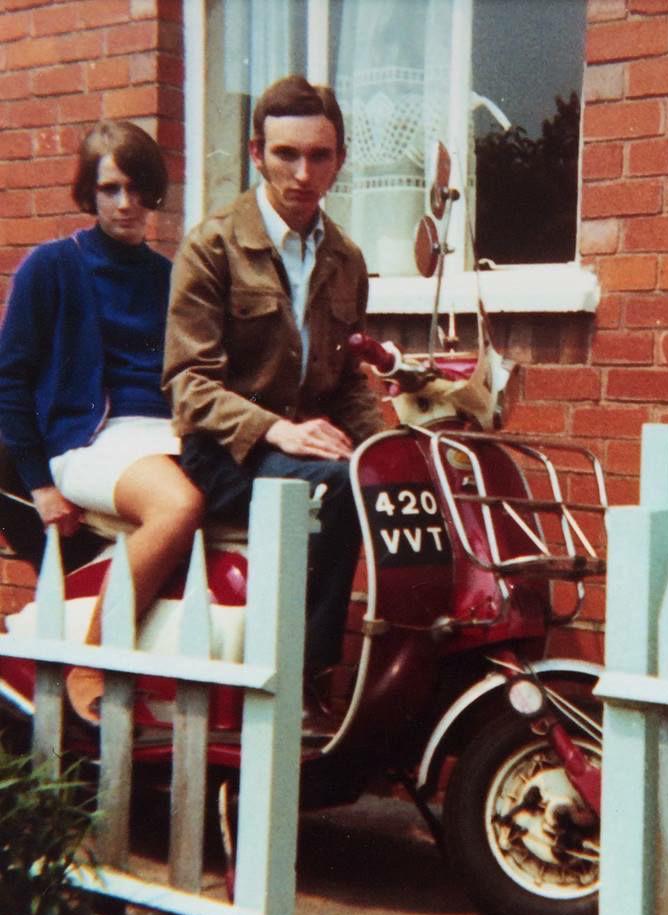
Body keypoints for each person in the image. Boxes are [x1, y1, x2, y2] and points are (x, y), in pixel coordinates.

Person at [163, 75, 383, 734]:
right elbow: (188, 384)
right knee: (341, 490)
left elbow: (344, 381)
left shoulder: (345, 258)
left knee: (383, 480)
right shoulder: (212, 245)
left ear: (339, 161)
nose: (302, 172)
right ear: (257, 153)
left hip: (301, 458)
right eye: (286, 154)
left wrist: (388, 450)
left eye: (319, 156)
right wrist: (275, 431)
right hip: (222, 456)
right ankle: (309, 680)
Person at [0, 120, 204, 722]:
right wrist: (40, 487)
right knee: (179, 508)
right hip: (88, 441)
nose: (126, 203)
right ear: (89, 193)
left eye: (138, 188)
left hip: (163, 437)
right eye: (111, 188)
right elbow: (9, 379)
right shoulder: (53, 267)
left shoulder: (169, 277)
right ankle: (90, 659)